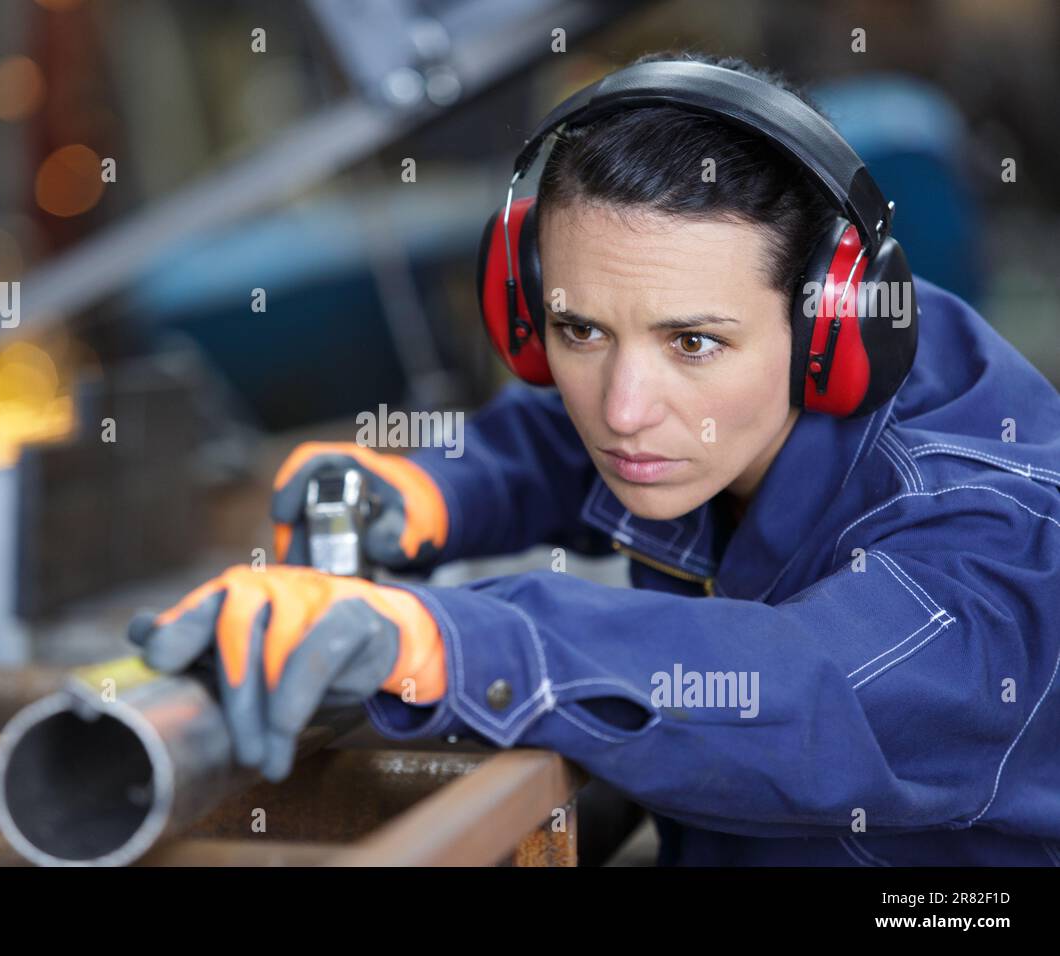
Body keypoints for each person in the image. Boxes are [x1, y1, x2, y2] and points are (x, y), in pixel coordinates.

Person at [128, 52, 1060, 866]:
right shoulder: (732, 388)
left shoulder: (995, 539)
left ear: (830, 324)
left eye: (692, 343)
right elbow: (551, 442)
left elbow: (808, 683)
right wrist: (426, 489)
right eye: (578, 330)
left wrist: (441, 639)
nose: (622, 410)